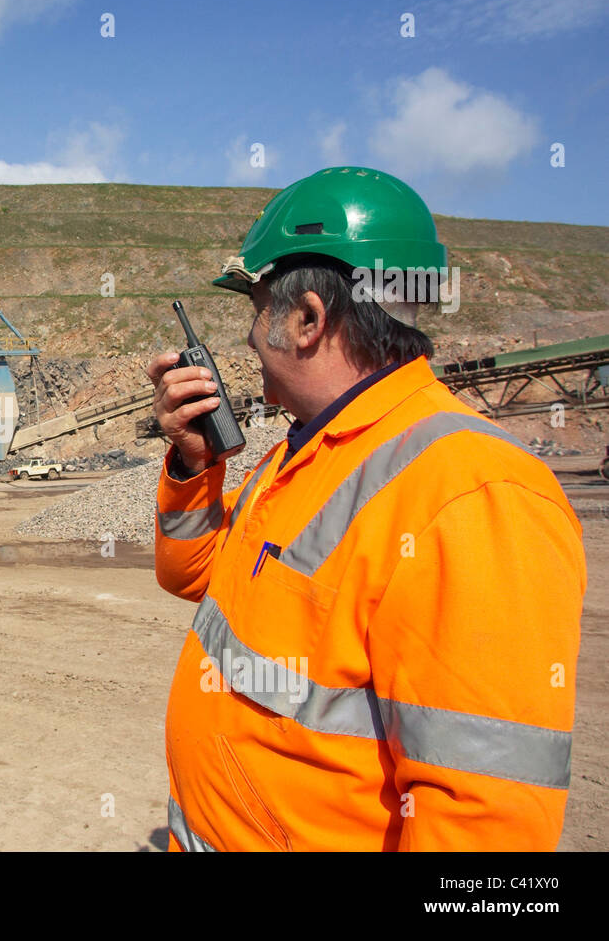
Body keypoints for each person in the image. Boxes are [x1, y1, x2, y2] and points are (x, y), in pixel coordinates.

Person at [147, 167, 584, 851]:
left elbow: (483, 823)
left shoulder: (472, 490)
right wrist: (194, 465)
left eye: (255, 310)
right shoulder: (304, 453)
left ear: (307, 320)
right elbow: (191, 577)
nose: (247, 339)